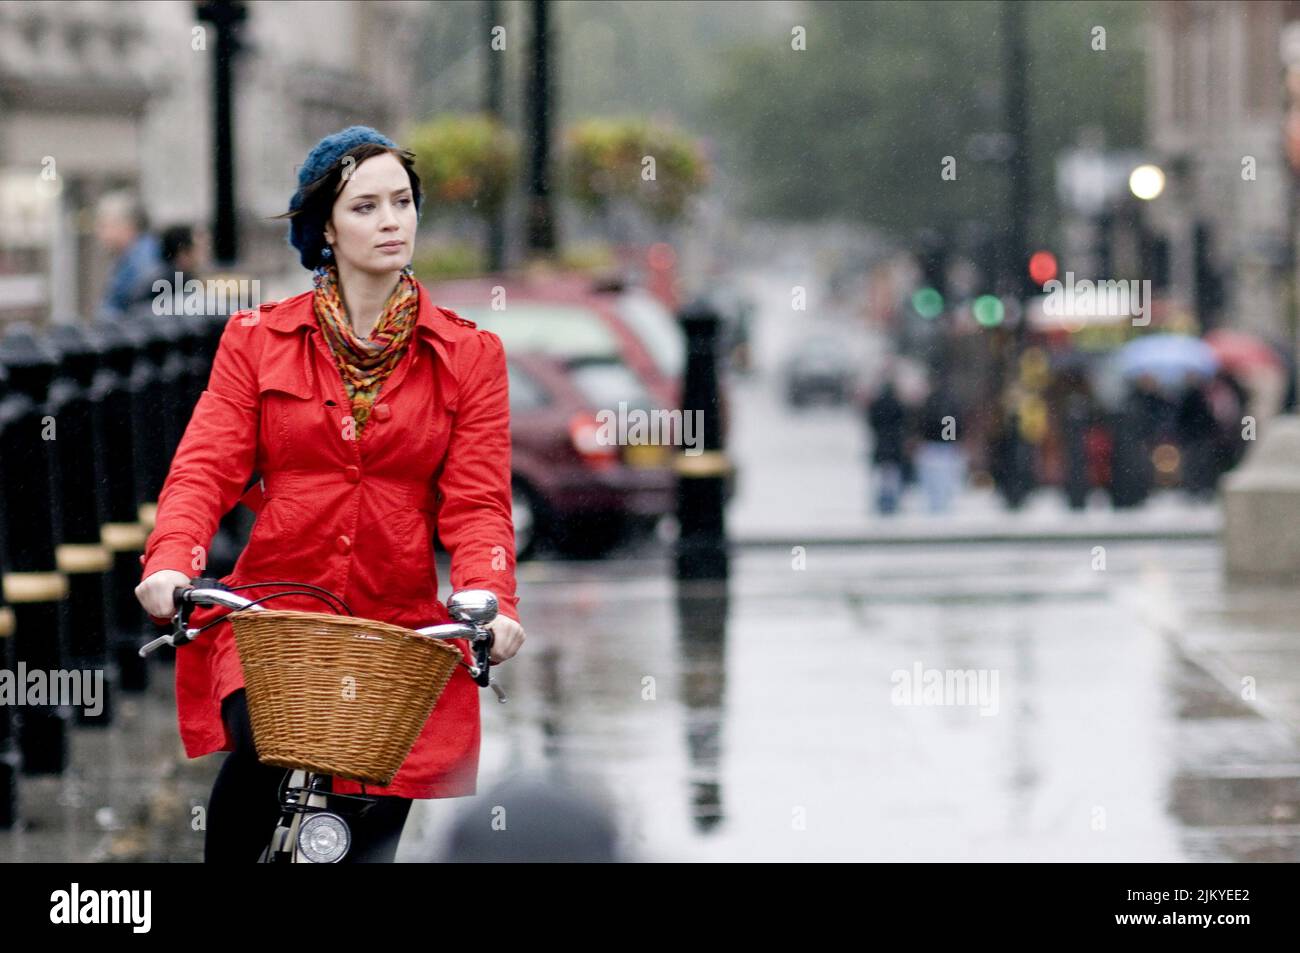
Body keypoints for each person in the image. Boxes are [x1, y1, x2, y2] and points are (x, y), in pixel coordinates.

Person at [134, 126, 526, 863]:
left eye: (403, 202)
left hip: (396, 634)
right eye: (366, 206)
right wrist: (172, 562)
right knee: (259, 759)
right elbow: (204, 468)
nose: (391, 221)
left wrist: (493, 602)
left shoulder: (471, 356)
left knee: (367, 828)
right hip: (273, 621)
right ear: (325, 229)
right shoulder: (257, 339)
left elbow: (477, 505)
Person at [94, 190, 163, 320]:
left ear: (126, 225)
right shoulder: (131, 256)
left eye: (104, 225)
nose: (99, 232)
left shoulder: (143, 260)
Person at [866, 376, 907, 514]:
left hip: (881, 446)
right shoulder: (898, 405)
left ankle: (883, 503)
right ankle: (890, 504)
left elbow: (871, 422)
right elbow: (904, 422)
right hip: (894, 447)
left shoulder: (876, 406)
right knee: (892, 478)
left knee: (883, 478)